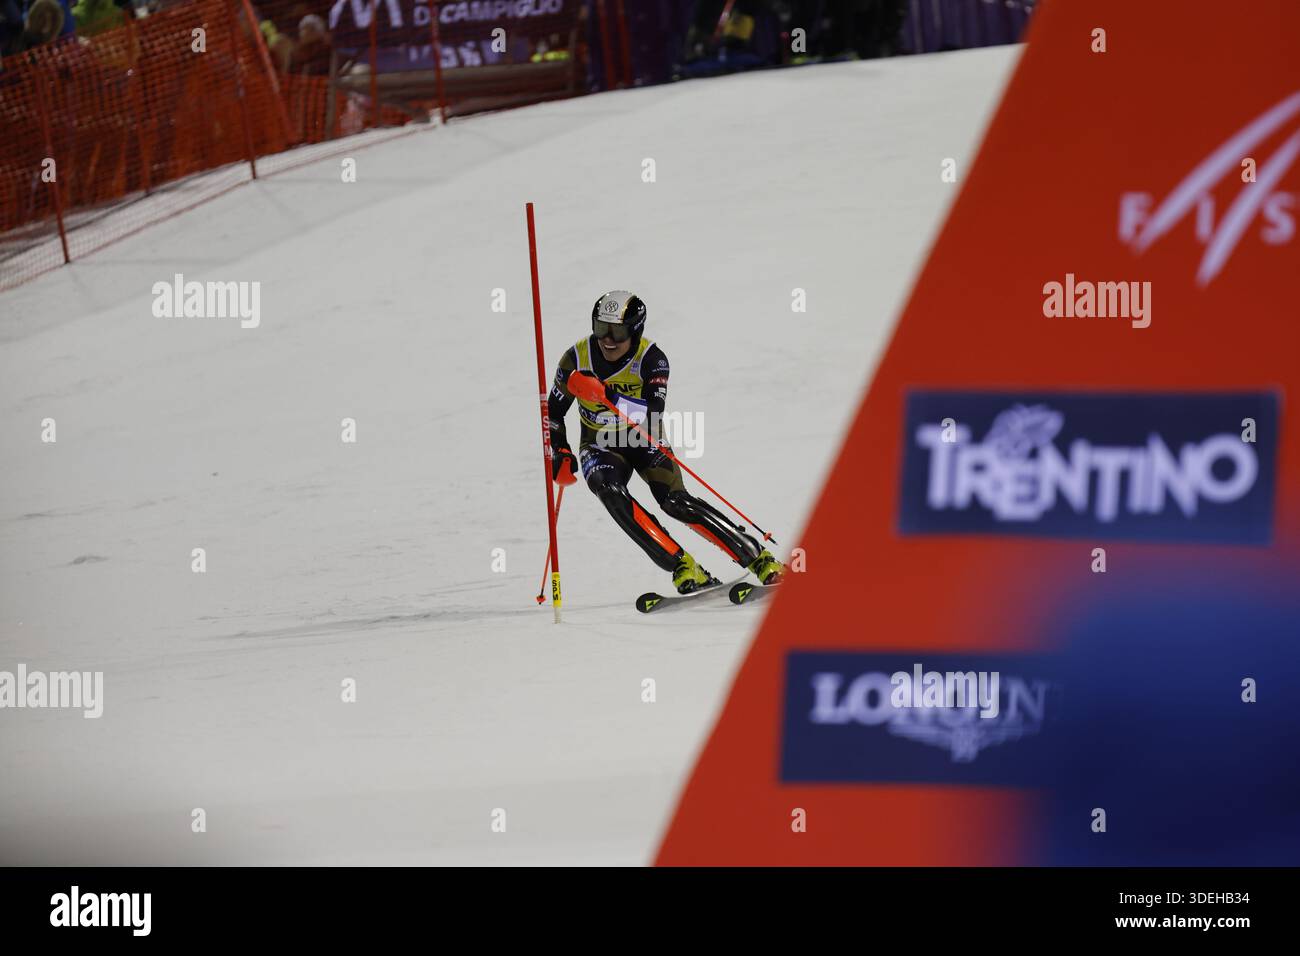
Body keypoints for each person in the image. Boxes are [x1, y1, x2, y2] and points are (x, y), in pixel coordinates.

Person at [547, 291, 785, 594]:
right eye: (600, 328)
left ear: (635, 330)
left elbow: (653, 414)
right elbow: (552, 412)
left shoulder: (652, 359)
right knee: (609, 492)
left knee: (674, 501)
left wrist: (606, 395)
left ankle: (759, 559)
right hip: (599, 443)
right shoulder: (575, 359)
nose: (608, 339)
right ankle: (683, 566)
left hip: (642, 437)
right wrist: (561, 451)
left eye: (617, 332)